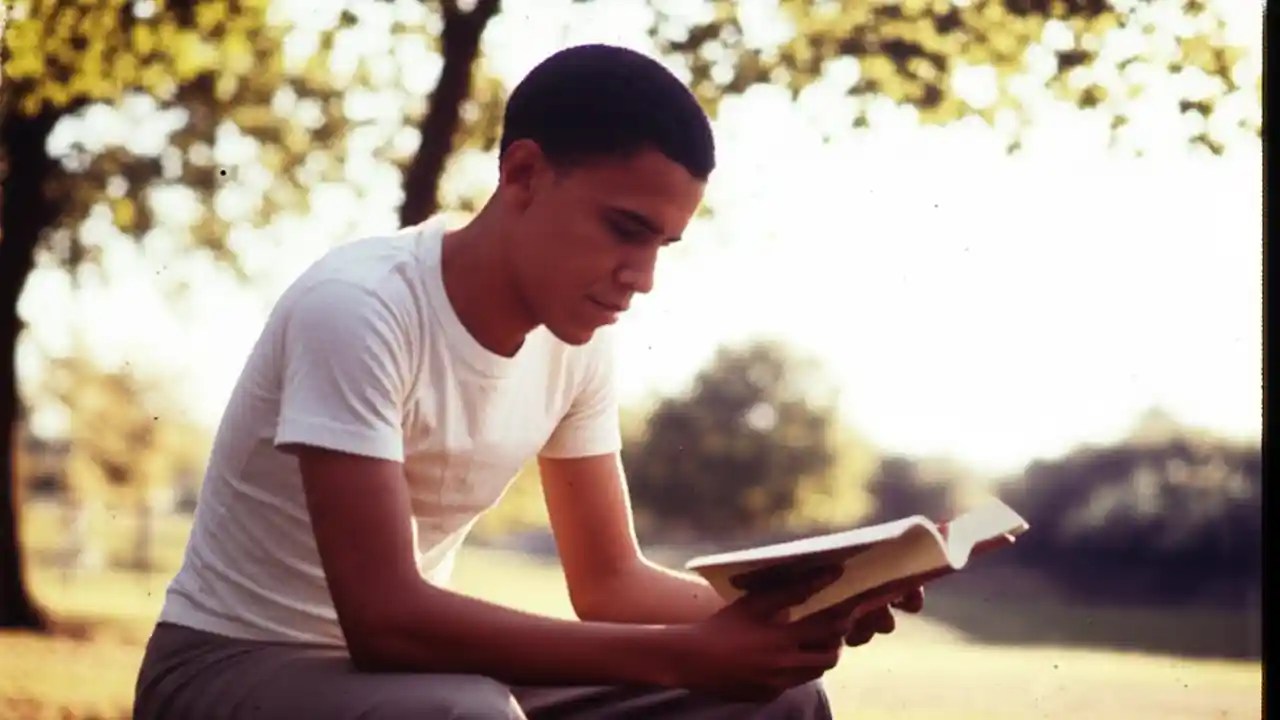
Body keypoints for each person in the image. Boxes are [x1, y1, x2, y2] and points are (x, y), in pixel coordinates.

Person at [132, 43, 924, 720]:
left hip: (410, 683)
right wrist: (687, 656)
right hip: (228, 666)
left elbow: (610, 582)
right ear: (523, 173)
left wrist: (808, 604)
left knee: (783, 702)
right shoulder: (359, 307)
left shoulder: (575, 340)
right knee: (464, 713)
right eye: (625, 230)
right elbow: (384, 620)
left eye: (664, 246)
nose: (642, 278)